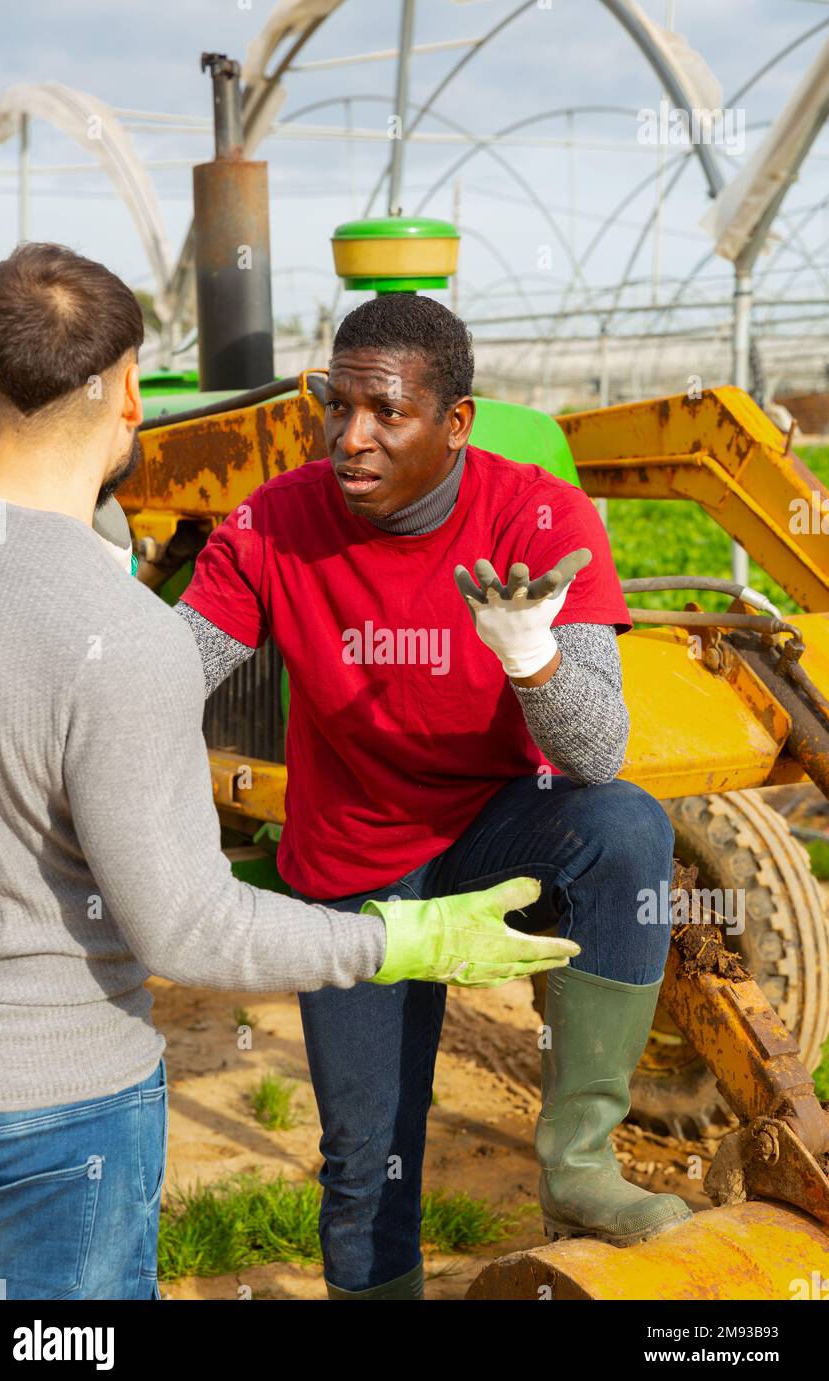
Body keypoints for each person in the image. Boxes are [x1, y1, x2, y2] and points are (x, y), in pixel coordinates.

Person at [0, 244, 574, 1302]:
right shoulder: (125, 638)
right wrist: (399, 936)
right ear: (131, 399)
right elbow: (187, 927)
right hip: (50, 1115)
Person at [176, 291, 693, 1300]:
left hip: (486, 833)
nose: (350, 438)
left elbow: (598, 754)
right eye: (337, 406)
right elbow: (174, 671)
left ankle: (579, 1162)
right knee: (366, 1168)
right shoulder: (275, 523)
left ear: (454, 422)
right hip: (352, 861)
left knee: (625, 826)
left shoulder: (538, 516)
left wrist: (532, 659)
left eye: (385, 412)